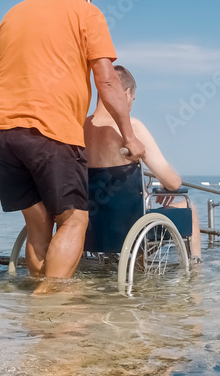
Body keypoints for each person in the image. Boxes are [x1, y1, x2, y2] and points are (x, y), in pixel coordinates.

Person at [0, 0, 145, 279]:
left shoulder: (13, 14)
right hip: (50, 130)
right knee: (74, 221)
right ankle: (55, 306)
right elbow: (107, 80)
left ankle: (40, 313)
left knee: (38, 225)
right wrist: (129, 136)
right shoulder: (86, 11)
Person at [84, 65, 203, 262]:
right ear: (127, 93)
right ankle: (196, 274)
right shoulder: (133, 129)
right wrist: (167, 186)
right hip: (132, 226)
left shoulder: (80, 127)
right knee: (191, 210)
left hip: (91, 227)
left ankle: (133, 267)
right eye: (132, 100)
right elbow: (173, 183)